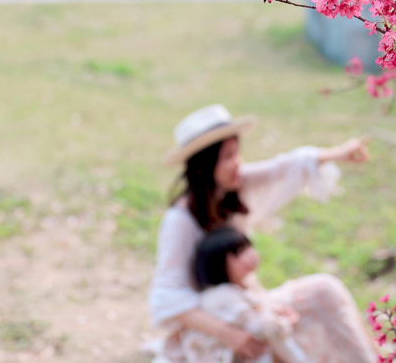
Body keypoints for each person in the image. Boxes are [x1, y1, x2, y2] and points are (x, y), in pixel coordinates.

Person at [148, 104, 377, 363]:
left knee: (325, 290)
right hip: (212, 322)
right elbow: (168, 298)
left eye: (237, 153)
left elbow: (282, 167)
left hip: (246, 304)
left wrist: (337, 153)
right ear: (204, 166)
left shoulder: (233, 186)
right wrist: (229, 334)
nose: (238, 163)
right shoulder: (180, 221)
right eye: (228, 157)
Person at [181, 226, 309, 363]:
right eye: (238, 253)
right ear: (218, 264)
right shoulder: (220, 297)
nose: (250, 255)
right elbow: (259, 327)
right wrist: (283, 322)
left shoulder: (245, 287)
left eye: (248, 247)